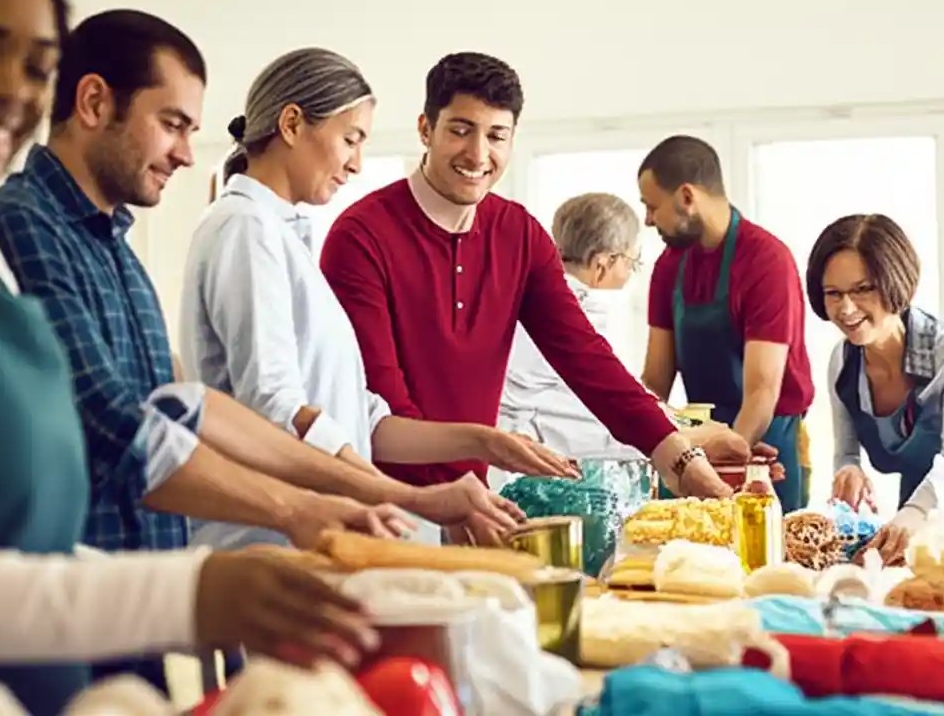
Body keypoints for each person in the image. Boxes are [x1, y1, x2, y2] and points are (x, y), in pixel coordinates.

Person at [0, 0, 377, 714]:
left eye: (37, 66)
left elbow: (28, 543)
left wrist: (206, 575)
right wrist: (184, 590)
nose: (14, 89)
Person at [179, 48, 572, 549]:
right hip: (270, 539)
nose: (358, 163)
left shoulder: (279, 234)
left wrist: (483, 441)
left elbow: (359, 414)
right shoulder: (244, 228)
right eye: (351, 139)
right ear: (293, 124)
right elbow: (275, 406)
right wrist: (402, 496)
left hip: (313, 532)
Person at [320, 52, 746, 514]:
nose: (478, 154)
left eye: (496, 135)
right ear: (426, 129)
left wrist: (683, 459)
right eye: (460, 130)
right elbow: (382, 405)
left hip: (473, 500)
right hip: (384, 506)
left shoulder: (519, 235)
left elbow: (587, 359)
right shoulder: (360, 237)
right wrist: (456, 491)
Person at [806, 214, 944, 563]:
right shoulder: (843, 364)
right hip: (920, 507)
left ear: (895, 282)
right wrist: (849, 472)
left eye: (863, 289)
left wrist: (914, 514)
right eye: (833, 293)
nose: (846, 309)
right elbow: (846, 454)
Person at [638, 135, 815, 511]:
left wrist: (728, 462)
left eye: (652, 206)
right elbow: (655, 381)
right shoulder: (669, 266)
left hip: (771, 439)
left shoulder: (767, 261)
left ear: (687, 197)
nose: (648, 219)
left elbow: (762, 393)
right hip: (699, 439)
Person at [497, 192, 649, 461]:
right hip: (523, 458)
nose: (629, 275)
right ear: (602, 264)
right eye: (631, 263)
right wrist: (683, 436)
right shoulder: (588, 310)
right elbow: (612, 406)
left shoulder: (521, 295)